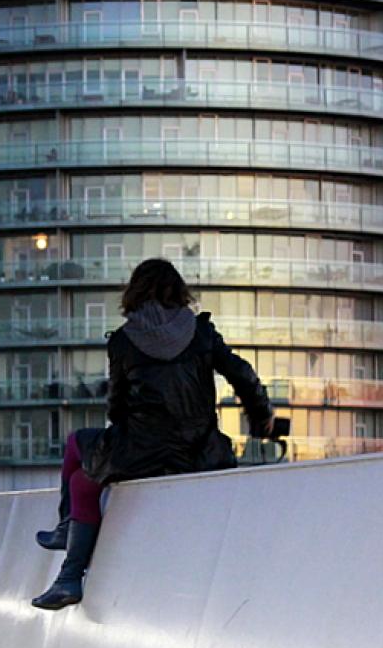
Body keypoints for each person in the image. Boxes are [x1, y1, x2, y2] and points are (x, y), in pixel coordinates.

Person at [32, 258, 275, 610]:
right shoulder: (202, 333)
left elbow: (116, 405)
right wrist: (262, 416)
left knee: (79, 465)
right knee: (82, 476)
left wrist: (126, 431)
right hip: (199, 453)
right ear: (178, 291)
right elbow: (243, 375)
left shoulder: (124, 341)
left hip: (141, 452)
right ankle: (65, 551)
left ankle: (68, 564)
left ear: (135, 293)